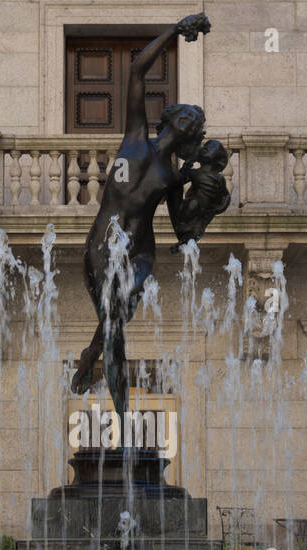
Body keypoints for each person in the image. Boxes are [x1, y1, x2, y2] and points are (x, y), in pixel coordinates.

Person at [70, 13, 212, 415]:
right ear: (169, 117)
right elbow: (136, 71)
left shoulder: (174, 177)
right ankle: (93, 362)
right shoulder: (135, 137)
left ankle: (114, 403)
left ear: (192, 136)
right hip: (104, 240)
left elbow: (182, 225)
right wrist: (173, 32)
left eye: (195, 122)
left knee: (116, 324)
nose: (188, 120)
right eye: (185, 114)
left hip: (141, 253)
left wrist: (206, 194)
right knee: (112, 326)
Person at [169, 139, 231, 253]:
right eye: (206, 146)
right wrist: (187, 164)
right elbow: (179, 180)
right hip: (192, 206)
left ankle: (183, 242)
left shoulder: (219, 178)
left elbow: (225, 195)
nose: (206, 147)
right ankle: (183, 233)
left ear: (218, 158)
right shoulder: (195, 173)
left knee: (199, 228)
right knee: (193, 204)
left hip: (207, 210)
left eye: (212, 147)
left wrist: (220, 207)